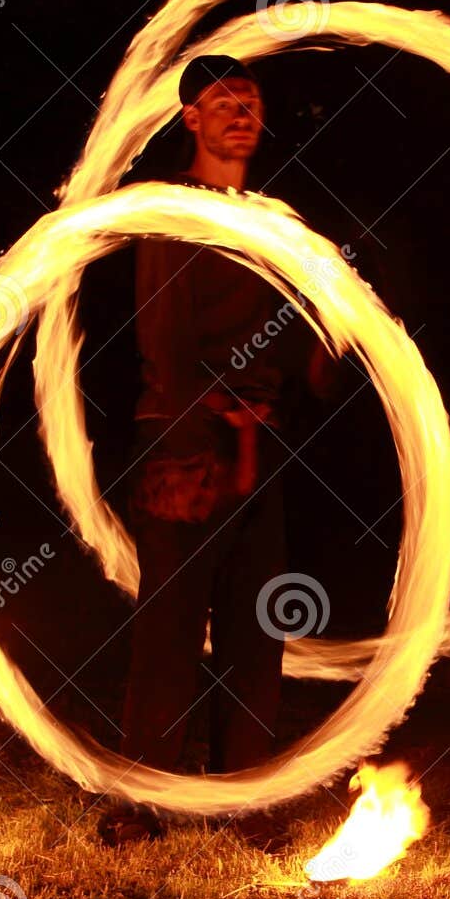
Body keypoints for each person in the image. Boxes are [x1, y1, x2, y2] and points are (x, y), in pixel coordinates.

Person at [99, 55, 332, 846]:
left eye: (252, 102)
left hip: (258, 445)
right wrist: (195, 427)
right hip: (183, 441)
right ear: (190, 118)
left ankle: (241, 801)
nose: (241, 114)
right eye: (222, 102)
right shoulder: (177, 213)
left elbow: (303, 341)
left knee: (253, 629)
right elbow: (162, 337)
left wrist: (347, 330)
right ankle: (142, 805)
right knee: (170, 629)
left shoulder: (272, 223)